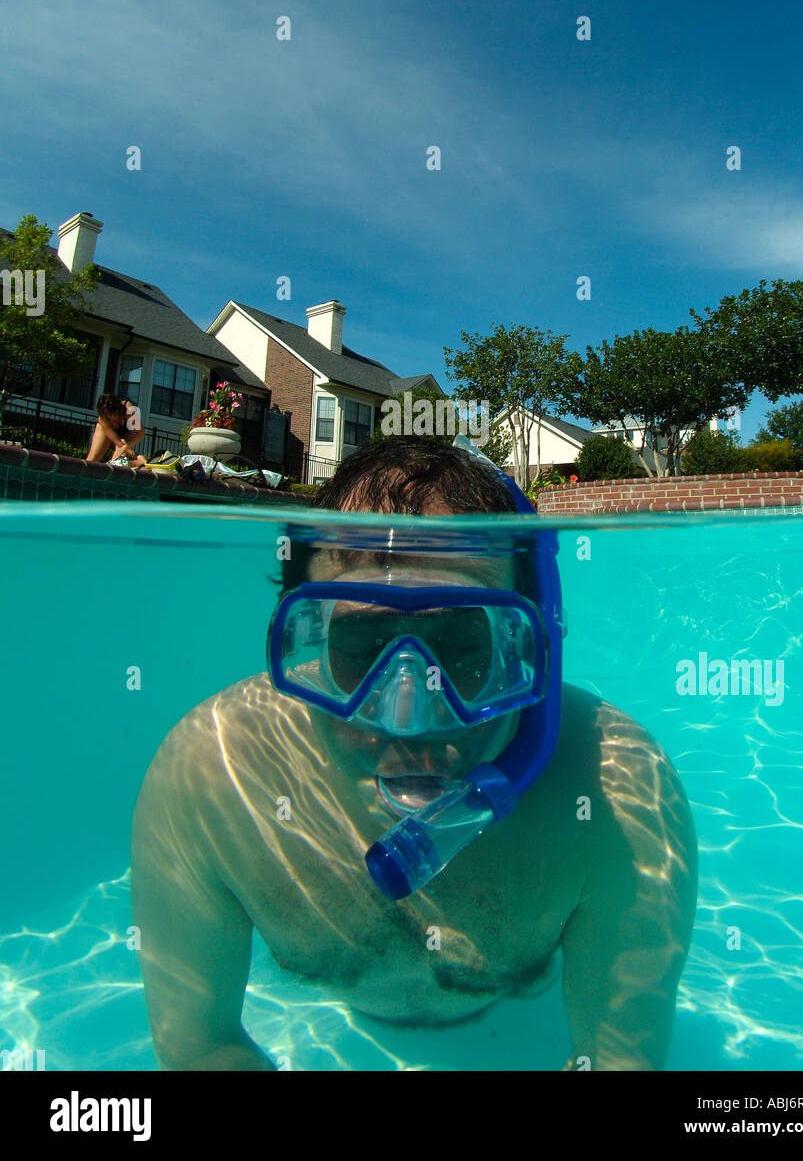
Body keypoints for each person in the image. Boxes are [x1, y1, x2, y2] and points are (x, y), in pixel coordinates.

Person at [131, 436, 697, 1071]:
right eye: (361, 643)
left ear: (531, 650)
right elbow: (201, 1045)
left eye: (460, 643)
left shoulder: (614, 795)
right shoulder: (214, 773)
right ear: (308, 649)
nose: (410, 715)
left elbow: (620, 1060)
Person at [86, 392, 147, 468]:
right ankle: (140, 461)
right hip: (107, 433)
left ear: (118, 409)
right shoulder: (102, 419)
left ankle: (139, 463)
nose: (113, 420)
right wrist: (135, 455)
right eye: (109, 418)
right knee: (91, 460)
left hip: (126, 432)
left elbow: (141, 433)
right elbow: (118, 442)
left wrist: (126, 448)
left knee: (119, 463)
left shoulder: (129, 410)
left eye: (114, 415)